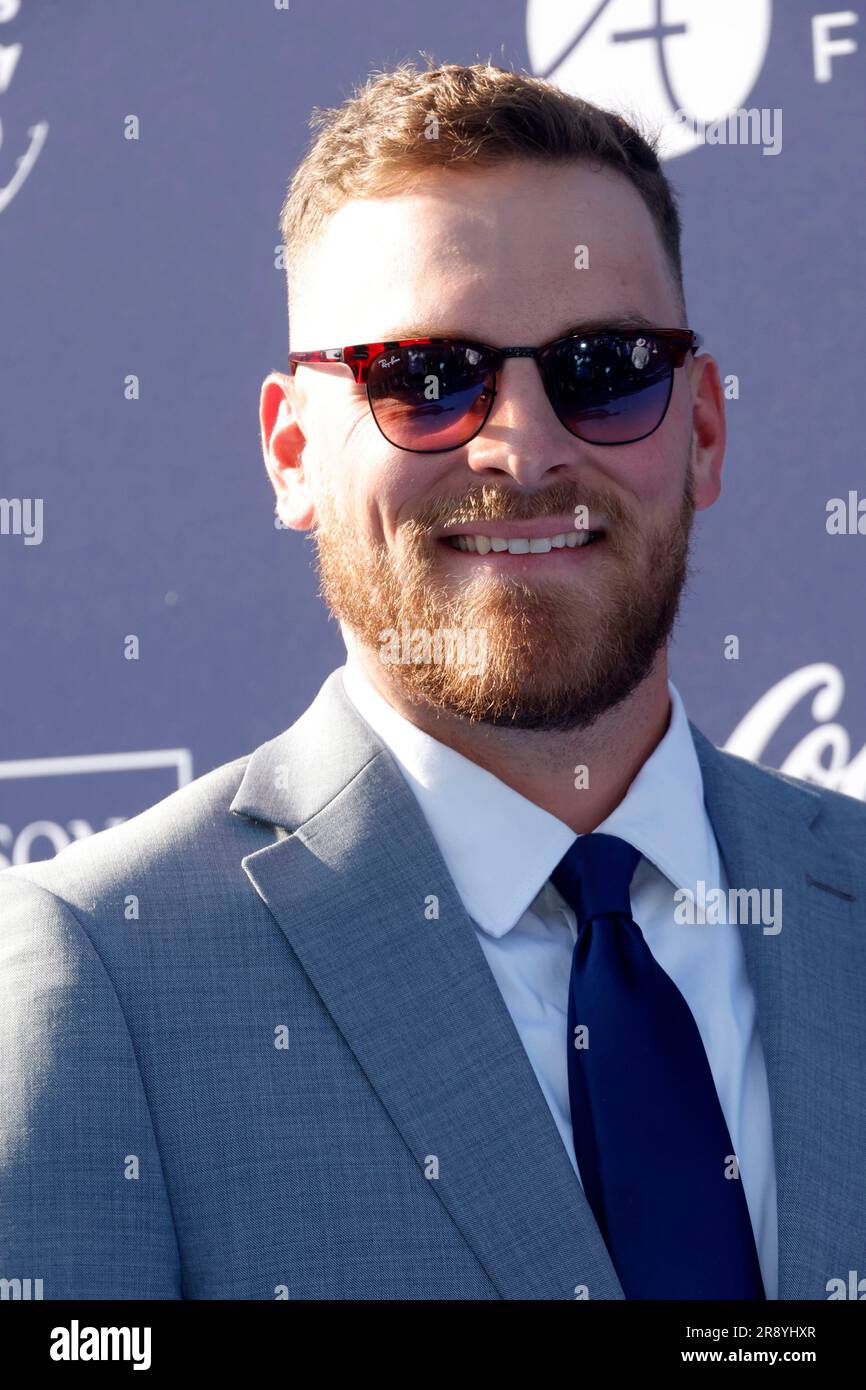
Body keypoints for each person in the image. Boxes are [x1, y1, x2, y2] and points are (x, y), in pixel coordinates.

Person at [2, 59, 864, 1302]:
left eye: (605, 367)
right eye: (422, 379)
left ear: (704, 430)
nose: (522, 448)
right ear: (292, 453)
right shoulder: (108, 973)